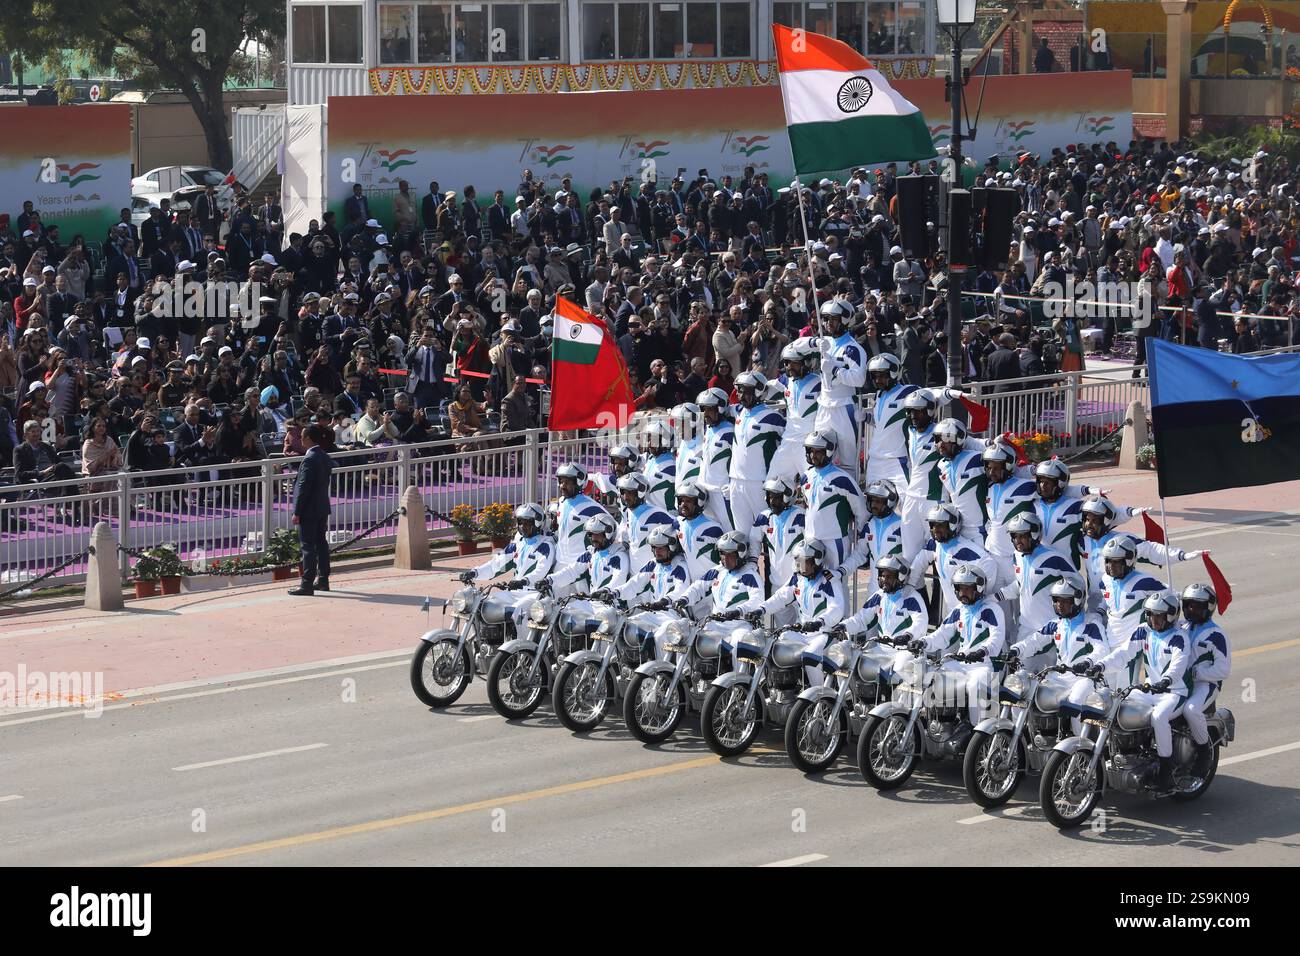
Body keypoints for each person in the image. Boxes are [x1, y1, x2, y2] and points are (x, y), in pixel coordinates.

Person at [917, 563, 1007, 726]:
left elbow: (997, 638)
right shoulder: (959, 610)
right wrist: (923, 642)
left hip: (986, 664)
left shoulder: (992, 610)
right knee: (931, 676)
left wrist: (983, 651)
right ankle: (940, 722)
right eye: (960, 588)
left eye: (967, 588)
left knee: (976, 685)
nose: (962, 593)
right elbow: (942, 635)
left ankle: (978, 732)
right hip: (961, 663)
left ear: (978, 588)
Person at [459, 503, 556, 626]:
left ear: (537, 523)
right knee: (483, 605)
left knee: (516, 612)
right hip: (514, 592)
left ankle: (524, 645)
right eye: (520, 522)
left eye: (527, 523)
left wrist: (523, 581)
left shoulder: (545, 545)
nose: (523, 526)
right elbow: (495, 564)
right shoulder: (517, 544)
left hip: (534, 594)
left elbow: (541, 571)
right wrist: (474, 573)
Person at [907, 503, 1002, 620]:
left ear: (952, 525)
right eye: (933, 525)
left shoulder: (965, 549)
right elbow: (918, 564)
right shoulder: (934, 545)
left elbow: (989, 563)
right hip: (949, 612)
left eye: (940, 525)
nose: (935, 530)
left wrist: (982, 595)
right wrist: (909, 587)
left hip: (971, 612)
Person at [1000, 512, 1080, 644]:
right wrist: (995, 597)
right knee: (1022, 665)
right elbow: (1022, 584)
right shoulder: (1017, 556)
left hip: (1052, 628)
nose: (1017, 541)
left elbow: (1078, 585)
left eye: (1022, 536)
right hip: (1026, 628)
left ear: (1034, 534)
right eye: (1014, 536)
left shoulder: (1055, 558)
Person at [1179, 583, 1231, 769]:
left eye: (1197, 606)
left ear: (1208, 608)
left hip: (1205, 684)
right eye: (1189, 605)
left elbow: (1223, 670)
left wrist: (1197, 673)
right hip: (1180, 682)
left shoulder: (1217, 635)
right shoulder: (1181, 627)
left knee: (1191, 710)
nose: (1192, 609)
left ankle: (1203, 750)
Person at [812, 300, 867, 471]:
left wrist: (835, 370)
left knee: (847, 460)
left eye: (834, 319)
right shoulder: (825, 343)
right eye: (826, 318)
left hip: (843, 408)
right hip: (823, 406)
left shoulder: (852, 348)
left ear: (844, 320)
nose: (828, 323)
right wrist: (813, 344)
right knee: (818, 451)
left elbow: (859, 379)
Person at [800, 430, 867, 571]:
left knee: (836, 583)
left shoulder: (842, 479)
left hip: (835, 542)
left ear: (829, 451)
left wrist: (861, 536)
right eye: (810, 451)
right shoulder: (806, 476)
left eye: (818, 451)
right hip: (810, 539)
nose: (813, 455)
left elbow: (861, 509)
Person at [728, 370, 784, 533]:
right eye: (739, 390)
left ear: (758, 391)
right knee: (741, 532)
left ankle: (768, 559)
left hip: (760, 483)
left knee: (767, 530)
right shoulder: (738, 411)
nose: (741, 395)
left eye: (746, 391)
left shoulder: (773, 417)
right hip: (735, 481)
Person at [288, 423, 335, 596]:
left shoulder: (309, 459)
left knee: (307, 546)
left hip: (309, 509)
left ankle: (307, 582)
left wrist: (297, 511)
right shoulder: (324, 456)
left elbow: (303, 487)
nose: (300, 439)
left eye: (302, 436)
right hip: (322, 506)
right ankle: (323, 579)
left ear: (308, 438)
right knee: (321, 543)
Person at [549, 514, 629, 597]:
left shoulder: (618, 556)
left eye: (597, 534)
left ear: (608, 533)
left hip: (612, 604)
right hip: (593, 602)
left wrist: (606, 591)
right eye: (591, 534)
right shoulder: (591, 554)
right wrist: (550, 580)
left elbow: (619, 579)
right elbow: (572, 571)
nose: (594, 538)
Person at [551, 462, 611, 566]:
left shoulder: (591, 506)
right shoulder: (561, 502)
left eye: (567, 482)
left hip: (580, 566)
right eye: (561, 481)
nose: (562, 486)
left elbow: (612, 527)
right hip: (560, 562)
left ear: (578, 482)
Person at [614, 472, 676, 572]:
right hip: (634, 574)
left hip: (652, 575)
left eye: (630, 493)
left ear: (641, 492)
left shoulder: (656, 513)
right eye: (623, 492)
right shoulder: (629, 512)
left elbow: (679, 525)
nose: (625, 497)